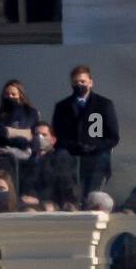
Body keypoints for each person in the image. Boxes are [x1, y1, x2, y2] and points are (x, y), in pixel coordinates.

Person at [51, 65, 120, 197]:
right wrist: (73, 145)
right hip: (71, 150)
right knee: (60, 156)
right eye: (76, 82)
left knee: (101, 159)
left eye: (82, 81)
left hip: (96, 150)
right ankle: (67, 197)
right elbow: (58, 135)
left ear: (90, 82)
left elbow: (113, 136)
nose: (79, 85)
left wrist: (96, 145)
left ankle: (91, 197)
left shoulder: (104, 104)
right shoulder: (62, 106)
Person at [18, 123, 78, 208]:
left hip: (51, 205)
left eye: (44, 135)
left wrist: (39, 200)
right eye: (36, 134)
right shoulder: (27, 161)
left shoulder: (60, 157)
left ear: (53, 140)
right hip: (27, 206)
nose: (39, 138)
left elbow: (63, 186)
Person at [0, 80, 40, 154]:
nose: (10, 97)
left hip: (24, 152)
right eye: (7, 94)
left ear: (20, 95)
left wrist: (7, 131)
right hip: (3, 152)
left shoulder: (31, 113)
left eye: (13, 94)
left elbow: (30, 134)